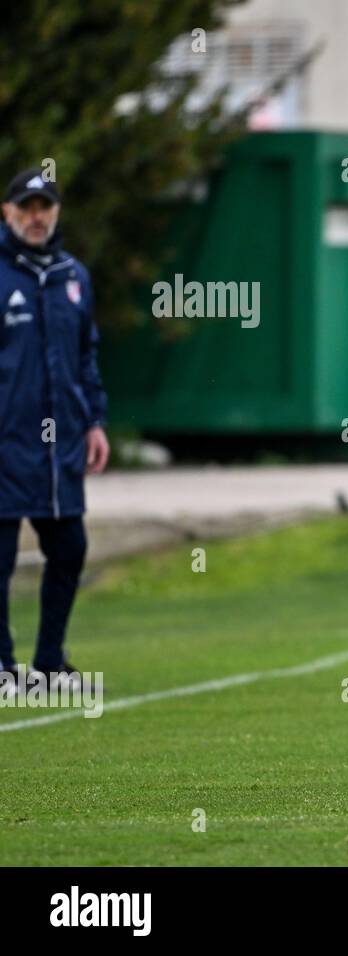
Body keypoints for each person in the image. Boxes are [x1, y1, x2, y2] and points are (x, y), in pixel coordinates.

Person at [0, 168, 109, 692]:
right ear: (8, 213)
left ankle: (47, 663)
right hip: (5, 441)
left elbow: (86, 356)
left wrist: (95, 421)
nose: (37, 217)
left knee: (69, 549)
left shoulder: (74, 277)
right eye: (27, 207)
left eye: (45, 207)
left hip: (60, 443)